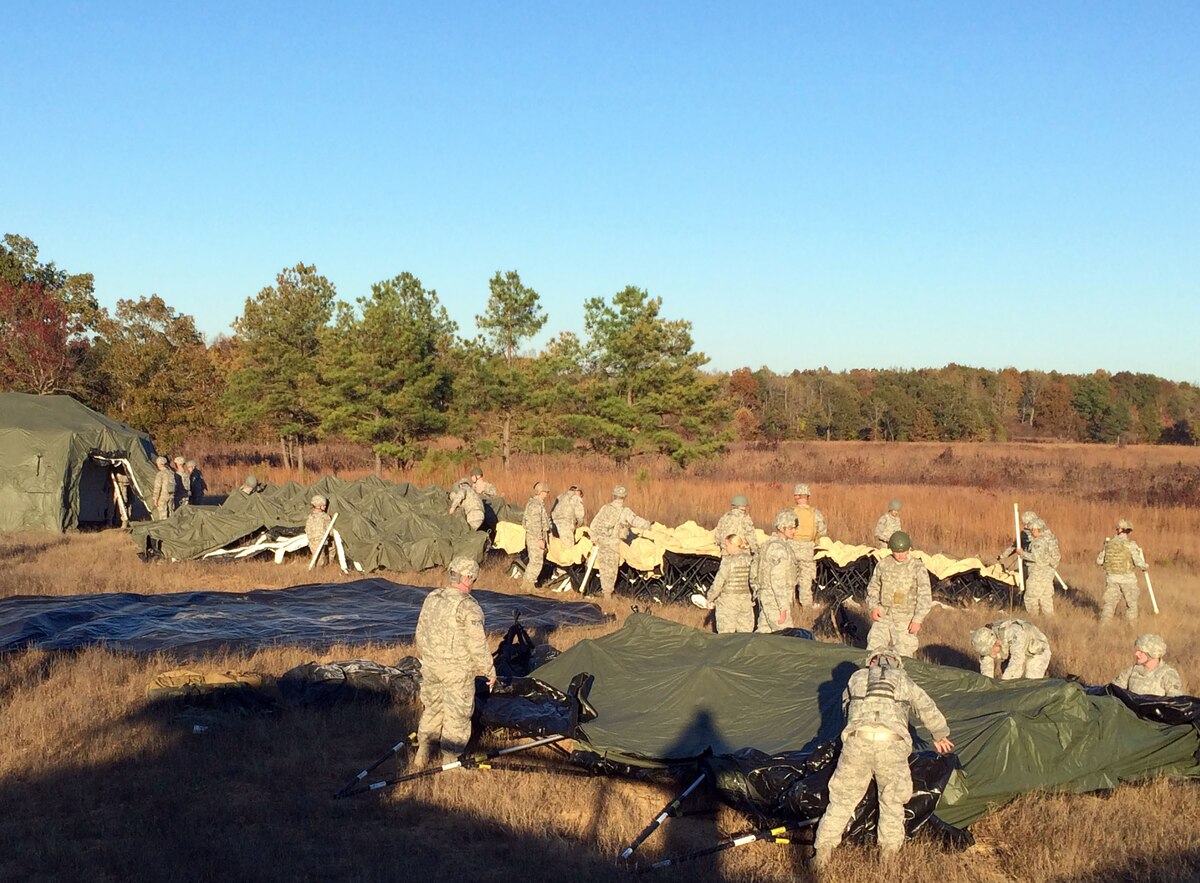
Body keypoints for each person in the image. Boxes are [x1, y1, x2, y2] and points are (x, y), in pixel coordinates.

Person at [811, 648, 954, 869]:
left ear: (872, 662)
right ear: (896, 663)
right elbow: (926, 706)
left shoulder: (856, 678)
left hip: (858, 742)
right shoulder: (903, 680)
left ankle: (822, 856)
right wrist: (940, 734)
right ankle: (887, 861)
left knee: (841, 800)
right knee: (892, 802)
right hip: (892, 745)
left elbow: (845, 708)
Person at [412, 557, 496, 767]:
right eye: (473, 579)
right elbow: (477, 645)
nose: (474, 583)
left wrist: (429, 658)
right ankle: (450, 761)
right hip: (457, 672)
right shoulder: (468, 607)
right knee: (457, 715)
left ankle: (423, 752)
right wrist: (489, 671)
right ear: (467, 578)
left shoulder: (432, 597)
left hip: (431, 667)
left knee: (433, 708)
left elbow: (420, 633)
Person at [866, 531, 932, 658]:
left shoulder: (917, 567)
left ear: (909, 549)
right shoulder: (883, 564)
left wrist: (917, 619)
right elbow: (873, 587)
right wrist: (873, 606)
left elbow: (924, 595)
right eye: (897, 551)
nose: (900, 555)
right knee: (872, 653)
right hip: (883, 616)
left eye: (903, 551)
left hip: (905, 620)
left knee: (903, 657)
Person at [588, 485, 652, 599]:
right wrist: (648, 525)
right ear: (624, 497)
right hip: (613, 543)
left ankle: (604, 591)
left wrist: (594, 538)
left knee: (603, 568)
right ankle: (607, 595)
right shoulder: (624, 511)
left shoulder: (605, 508)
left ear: (613, 495)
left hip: (601, 541)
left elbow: (593, 524)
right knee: (611, 569)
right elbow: (635, 521)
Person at [1096, 518, 1150, 624]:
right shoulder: (1131, 544)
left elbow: (1099, 561)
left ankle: (1104, 628)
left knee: (1109, 605)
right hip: (1128, 580)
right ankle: (1131, 628)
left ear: (1118, 529)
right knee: (1131, 605)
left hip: (1111, 579)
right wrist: (1145, 566)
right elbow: (1138, 562)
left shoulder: (1108, 544)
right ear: (1128, 531)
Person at [756, 510, 799, 633]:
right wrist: (783, 607)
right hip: (775, 599)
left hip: (767, 596)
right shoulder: (779, 549)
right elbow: (777, 580)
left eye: (795, 528)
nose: (794, 531)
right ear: (781, 528)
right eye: (791, 528)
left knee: (763, 634)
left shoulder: (769, 544)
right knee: (785, 637)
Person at [969, 619, 1052, 679]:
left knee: (1031, 680)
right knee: (1007, 671)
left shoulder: (1013, 632)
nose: (991, 654)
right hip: (1012, 652)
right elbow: (986, 668)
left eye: (991, 650)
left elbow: (1017, 660)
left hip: (1036, 650)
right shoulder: (983, 641)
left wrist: (1005, 685)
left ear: (996, 642)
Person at [707, 534, 755, 633]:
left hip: (728, 604)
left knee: (726, 638)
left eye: (727, 545)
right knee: (745, 637)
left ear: (733, 545)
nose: (726, 548)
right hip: (746, 603)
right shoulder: (750, 559)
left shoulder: (728, 561)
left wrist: (710, 598)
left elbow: (719, 583)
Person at [1112, 634, 1183, 697]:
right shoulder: (1131, 671)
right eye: (1137, 651)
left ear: (1153, 653)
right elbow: (1113, 691)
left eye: (1141, 652)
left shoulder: (1167, 674)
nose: (1136, 654)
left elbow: (1174, 703)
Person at [791, 483, 826, 608]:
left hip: (791, 548)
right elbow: (822, 531)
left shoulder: (791, 512)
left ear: (798, 496)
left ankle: (790, 603)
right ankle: (806, 604)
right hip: (807, 549)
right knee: (805, 578)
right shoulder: (815, 513)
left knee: (790, 576)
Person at [1018, 518, 1061, 616]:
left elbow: (1035, 557)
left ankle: (1034, 620)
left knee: (1030, 597)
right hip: (1049, 571)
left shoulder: (1038, 542)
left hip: (1038, 572)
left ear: (1038, 529)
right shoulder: (1050, 538)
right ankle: (1049, 619)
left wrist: (1022, 553)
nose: (1032, 532)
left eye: (1033, 530)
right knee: (1046, 597)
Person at [521, 482, 552, 593]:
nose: (546, 495)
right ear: (540, 492)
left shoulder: (535, 503)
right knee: (537, 562)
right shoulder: (535, 505)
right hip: (535, 537)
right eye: (545, 492)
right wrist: (540, 539)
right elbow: (535, 523)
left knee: (534, 561)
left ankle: (527, 584)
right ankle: (529, 584)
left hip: (533, 536)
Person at [551, 485, 586, 552]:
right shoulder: (576, 498)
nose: (581, 496)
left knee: (557, 548)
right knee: (568, 550)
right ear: (577, 491)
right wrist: (579, 524)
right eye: (580, 494)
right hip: (565, 526)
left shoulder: (560, 496)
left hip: (553, 525)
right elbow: (580, 514)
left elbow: (552, 511)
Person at [305, 494, 333, 566]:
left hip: (317, 540)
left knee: (319, 557)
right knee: (320, 559)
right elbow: (330, 528)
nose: (325, 507)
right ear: (318, 506)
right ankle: (318, 572)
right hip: (317, 540)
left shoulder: (310, 516)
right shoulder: (324, 516)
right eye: (323, 505)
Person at [151, 456, 178, 521]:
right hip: (171, 496)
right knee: (171, 514)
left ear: (160, 464)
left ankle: (165, 529)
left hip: (162, 497)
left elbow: (157, 487)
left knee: (163, 516)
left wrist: (155, 499)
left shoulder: (160, 474)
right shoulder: (171, 473)